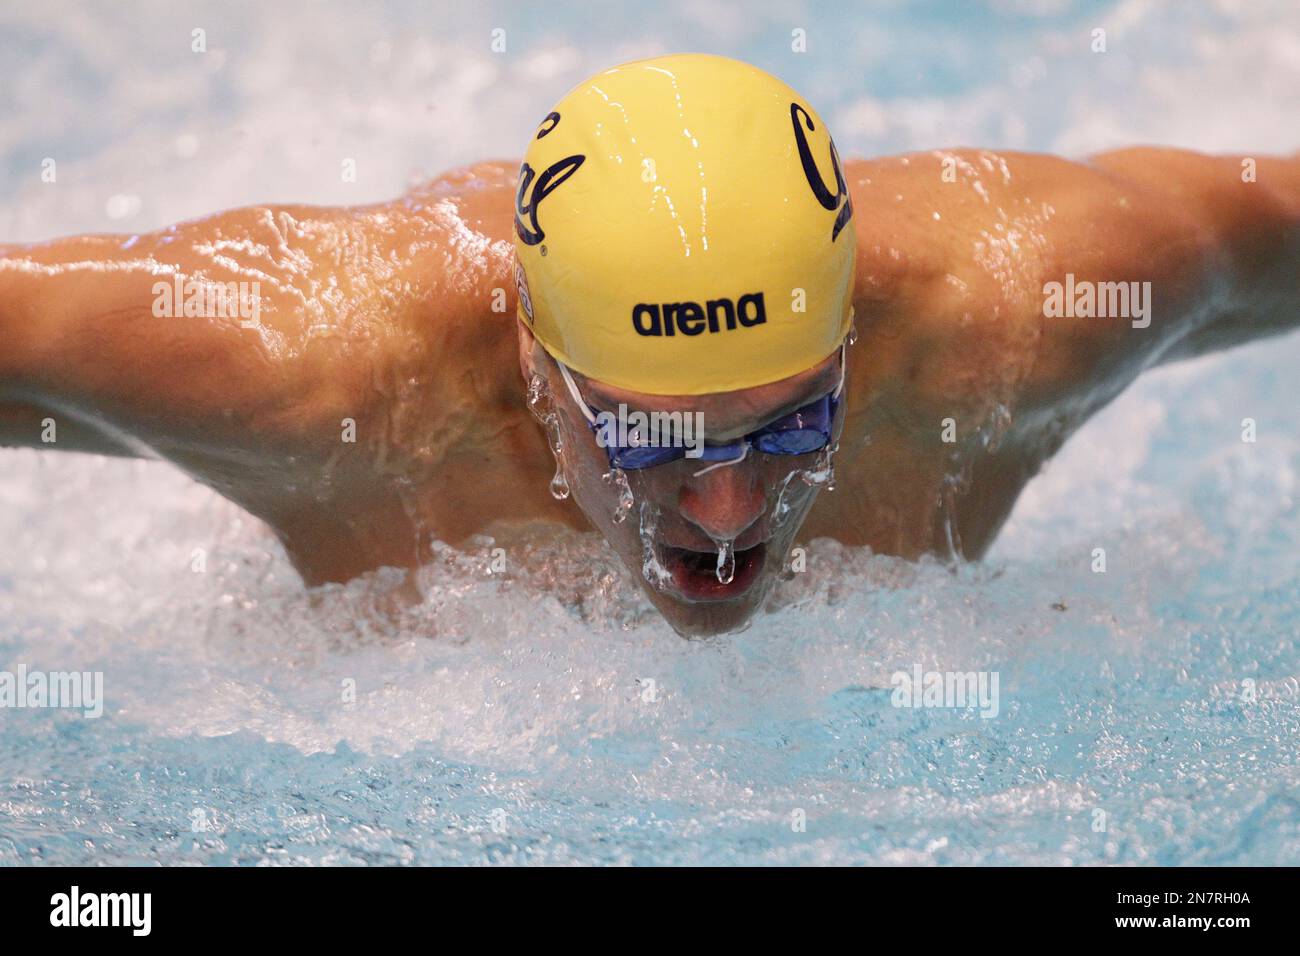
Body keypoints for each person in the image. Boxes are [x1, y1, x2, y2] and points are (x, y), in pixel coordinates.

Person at [1, 54, 1297, 636]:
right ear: (532, 370)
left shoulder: (1017, 305)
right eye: (647, 438)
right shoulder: (315, 366)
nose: (728, 509)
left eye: (792, 421)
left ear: (855, 346)